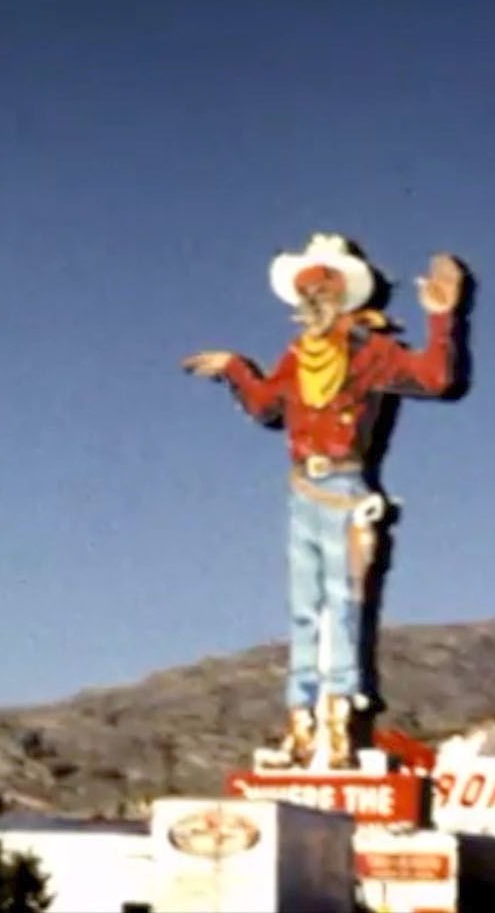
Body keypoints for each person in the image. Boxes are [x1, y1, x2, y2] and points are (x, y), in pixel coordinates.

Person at [182, 233, 463, 768]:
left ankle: (338, 726)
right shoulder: (296, 357)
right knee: (304, 610)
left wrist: (441, 318)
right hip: (302, 491)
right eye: (306, 290)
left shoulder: (371, 351)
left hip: (343, 489)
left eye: (322, 288)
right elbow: (266, 406)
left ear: (343, 294)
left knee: (343, 607)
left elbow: (435, 377)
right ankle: (302, 725)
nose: (312, 298)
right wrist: (236, 369)